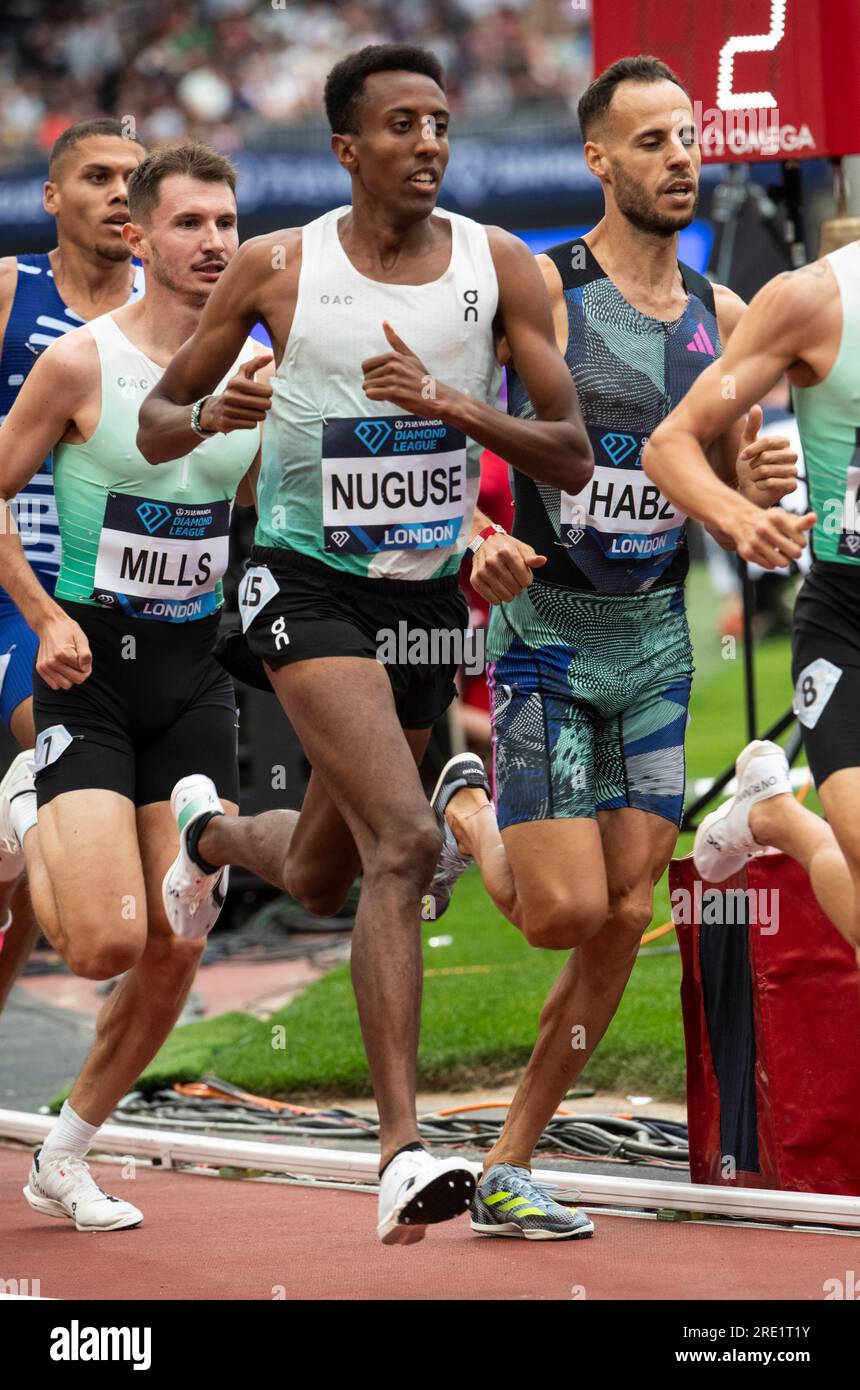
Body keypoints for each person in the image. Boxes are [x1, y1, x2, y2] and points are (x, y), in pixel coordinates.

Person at [137, 43, 593, 1245]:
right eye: (401, 124)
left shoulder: (499, 269)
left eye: (439, 121)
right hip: (299, 584)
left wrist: (452, 406)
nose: (429, 142)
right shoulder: (276, 267)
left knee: (333, 872)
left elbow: (570, 450)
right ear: (346, 149)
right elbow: (152, 422)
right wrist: (210, 413)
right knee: (403, 839)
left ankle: (210, 832)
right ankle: (398, 1153)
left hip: (420, 602)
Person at [425, 55, 799, 1239]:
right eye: (649, 142)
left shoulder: (722, 316)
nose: (678, 158)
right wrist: (476, 532)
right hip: (542, 638)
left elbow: (716, 472)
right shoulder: (541, 286)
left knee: (623, 912)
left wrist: (758, 479)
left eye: (687, 138)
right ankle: (467, 804)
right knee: (554, 913)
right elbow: (430, 431)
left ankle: (506, 1162)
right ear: (597, 158)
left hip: (653, 649)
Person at [0, 142, 302, 1233]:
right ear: (140, 236)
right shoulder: (81, 364)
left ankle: (64, 1154)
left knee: (178, 939)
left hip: (192, 683)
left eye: (226, 222)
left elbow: (283, 514)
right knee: (103, 945)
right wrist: (43, 617)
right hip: (89, 672)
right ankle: (27, 801)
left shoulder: (260, 367)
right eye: (187, 223)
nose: (213, 241)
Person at [644, 236, 860, 966]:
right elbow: (670, 444)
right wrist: (740, 512)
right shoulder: (815, 300)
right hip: (848, 620)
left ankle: (777, 816)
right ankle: (787, 821)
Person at [0, 118, 146, 1010]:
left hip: (132, 606)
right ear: (53, 197)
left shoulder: (177, 312)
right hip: (19, 594)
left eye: (135, 176)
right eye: (97, 176)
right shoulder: (10, 292)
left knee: (17, 896)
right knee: (67, 788)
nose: (120, 192)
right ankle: (24, 805)